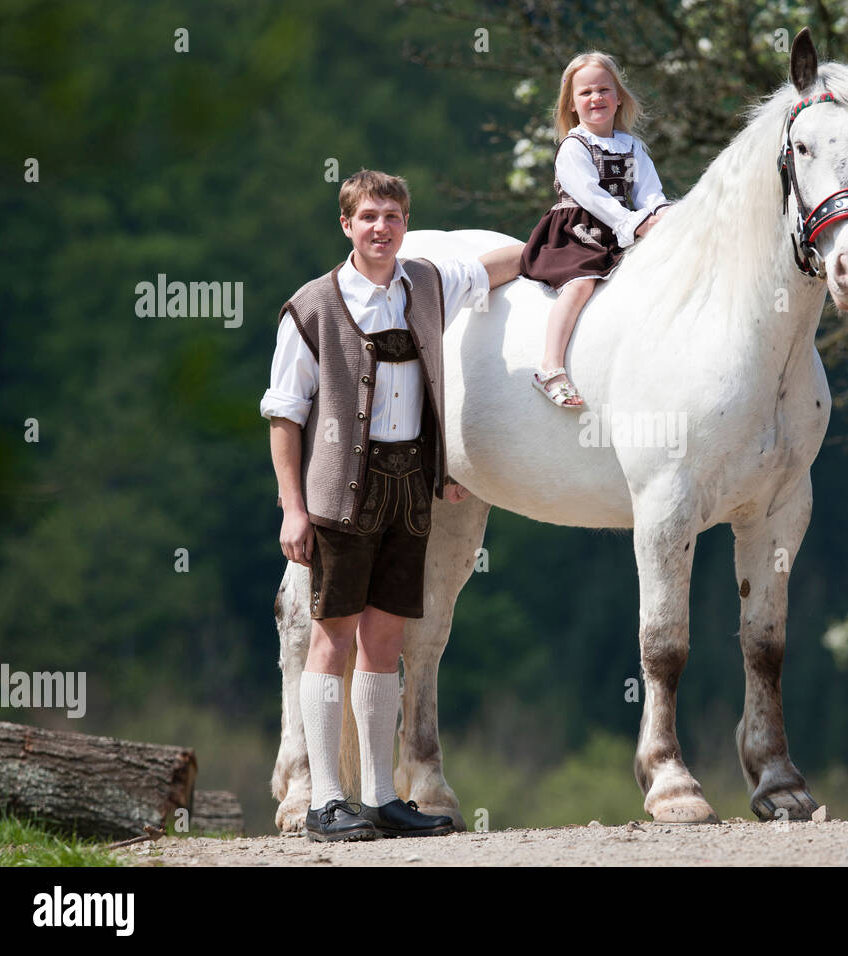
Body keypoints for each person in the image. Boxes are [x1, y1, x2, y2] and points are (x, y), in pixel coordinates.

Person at [261, 169, 523, 841]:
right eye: (369, 217)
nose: (382, 228)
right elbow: (284, 416)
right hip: (340, 494)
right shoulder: (310, 306)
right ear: (346, 224)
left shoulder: (429, 284)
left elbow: (500, 262)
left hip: (410, 489)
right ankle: (324, 800)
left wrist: (569, 239)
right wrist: (292, 509)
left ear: (407, 225)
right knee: (332, 637)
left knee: (384, 642)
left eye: (393, 217)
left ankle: (380, 797)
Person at [519, 51, 672, 407]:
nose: (596, 98)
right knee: (580, 285)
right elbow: (593, 197)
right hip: (577, 233)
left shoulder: (633, 147)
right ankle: (550, 366)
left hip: (621, 233)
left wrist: (664, 215)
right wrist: (636, 224)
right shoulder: (573, 147)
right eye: (585, 93)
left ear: (619, 98)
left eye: (604, 90)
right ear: (571, 104)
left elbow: (649, 192)